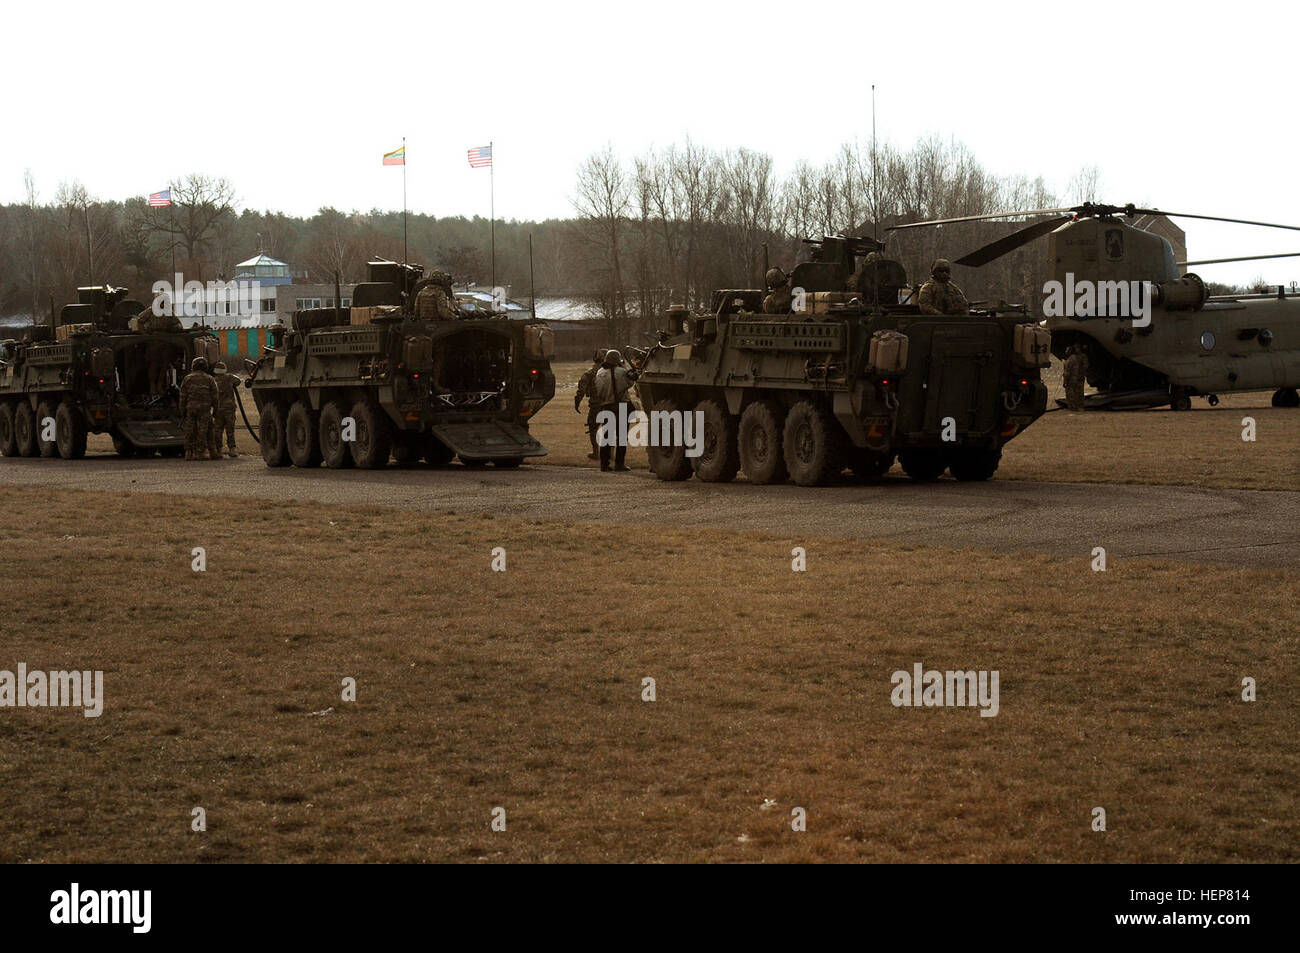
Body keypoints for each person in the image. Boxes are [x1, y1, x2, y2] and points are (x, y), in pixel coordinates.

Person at [592, 349, 636, 472]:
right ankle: (619, 464)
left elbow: (598, 391)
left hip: (606, 406)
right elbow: (630, 382)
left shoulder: (600, 372)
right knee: (621, 437)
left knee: (607, 437)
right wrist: (624, 366)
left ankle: (604, 464)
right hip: (621, 406)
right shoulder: (622, 372)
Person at [178, 357, 218, 461]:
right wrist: (215, 410)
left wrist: (182, 411)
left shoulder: (187, 378)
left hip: (191, 408)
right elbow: (215, 396)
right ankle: (201, 452)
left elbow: (183, 396)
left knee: (190, 430)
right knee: (204, 429)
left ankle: (188, 452)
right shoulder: (209, 378)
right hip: (205, 408)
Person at [574, 349, 606, 461]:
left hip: (596, 406)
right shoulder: (612, 373)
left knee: (593, 429)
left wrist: (577, 402)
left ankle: (596, 452)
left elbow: (581, 390)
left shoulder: (590, 373)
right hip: (609, 405)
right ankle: (609, 453)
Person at [209, 362, 239, 457]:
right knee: (230, 430)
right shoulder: (229, 378)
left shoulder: (212, 380)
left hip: (218, 410)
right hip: (229, 409)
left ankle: (218, 450)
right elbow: (238, 381)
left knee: (218, 431)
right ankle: (232, 449)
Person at [1063, 344, 1088, 412]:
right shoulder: (1079, 357)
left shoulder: (1070, 359)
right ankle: (1079, 406)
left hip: (1072, 379)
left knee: (1071, 393)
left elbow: (1067, 372)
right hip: (1079, 377)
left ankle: (1073, 407)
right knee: (1079, 392)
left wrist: (1065, 381)